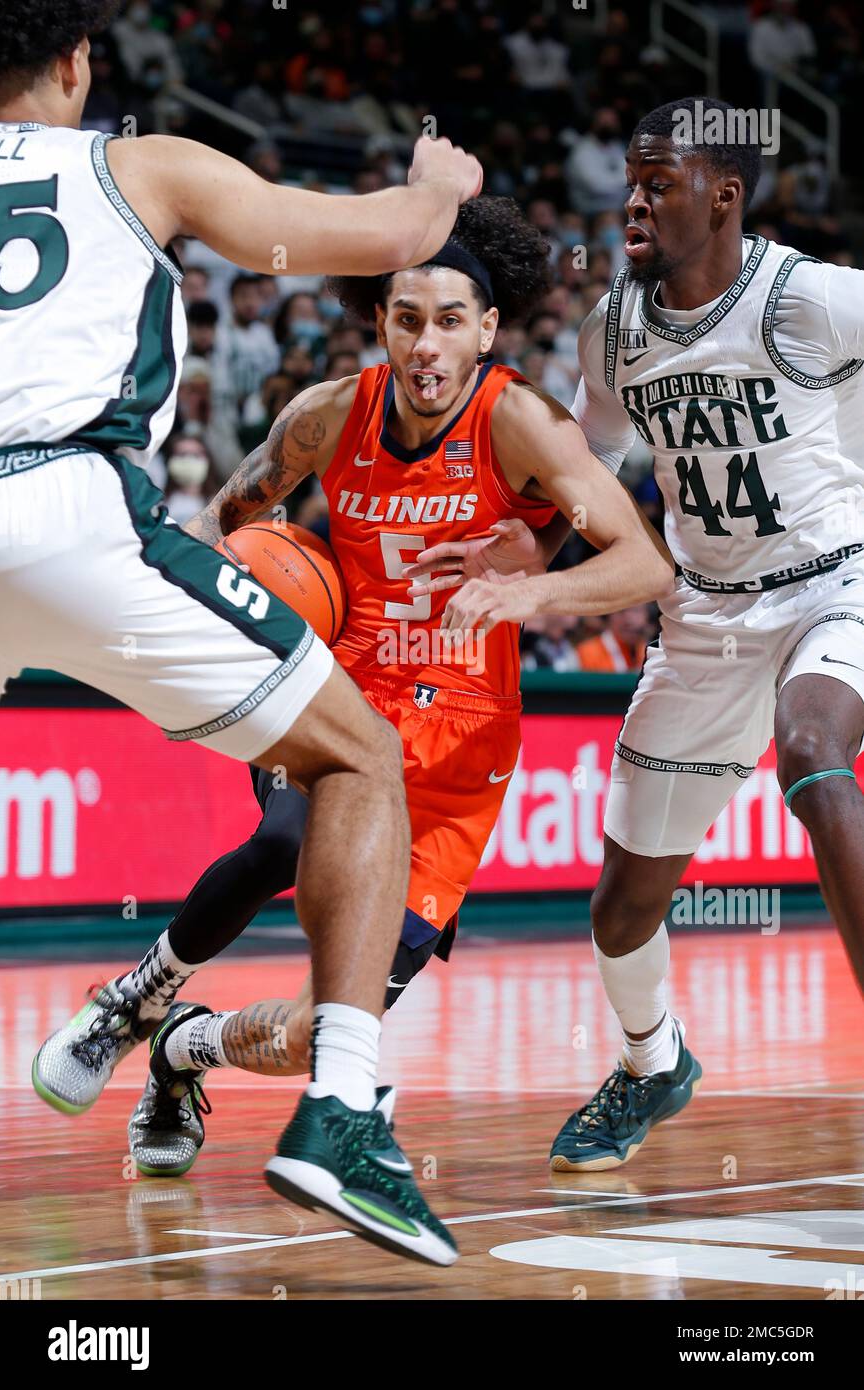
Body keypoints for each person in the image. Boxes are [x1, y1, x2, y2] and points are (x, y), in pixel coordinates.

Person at [0, 0, 483, 1266]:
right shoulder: (134, 161)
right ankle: (336, 1112)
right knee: (358, 759)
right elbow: (379, 236)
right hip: (64, 505)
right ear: (74, 62)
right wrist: (435, 182)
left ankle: (146, 1024)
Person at [114, 196, 674, 1179]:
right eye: (406, 317)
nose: (425, 342)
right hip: (336, 706)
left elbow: (643, 567)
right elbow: (212, 528)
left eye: (449, 319)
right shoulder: (327, 413)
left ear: (487, 330)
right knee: (285, 836)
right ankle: (142, 990)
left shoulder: (525, 425)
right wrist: (170, 650)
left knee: (313, 1038)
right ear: (381, 322)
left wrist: (525, 589)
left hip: (458, 755)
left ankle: (177, 1048)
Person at [444, 94, 864, 1175]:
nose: (631, 200)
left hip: (833, 586)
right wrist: (522, 543)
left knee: (812, 752)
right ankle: (649, 1063)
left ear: (721, 197)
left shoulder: (811, 301)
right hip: (703, 620)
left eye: (656, 183)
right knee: (623, 906)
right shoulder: (614, 328)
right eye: (628, 182)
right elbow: (586, 467)